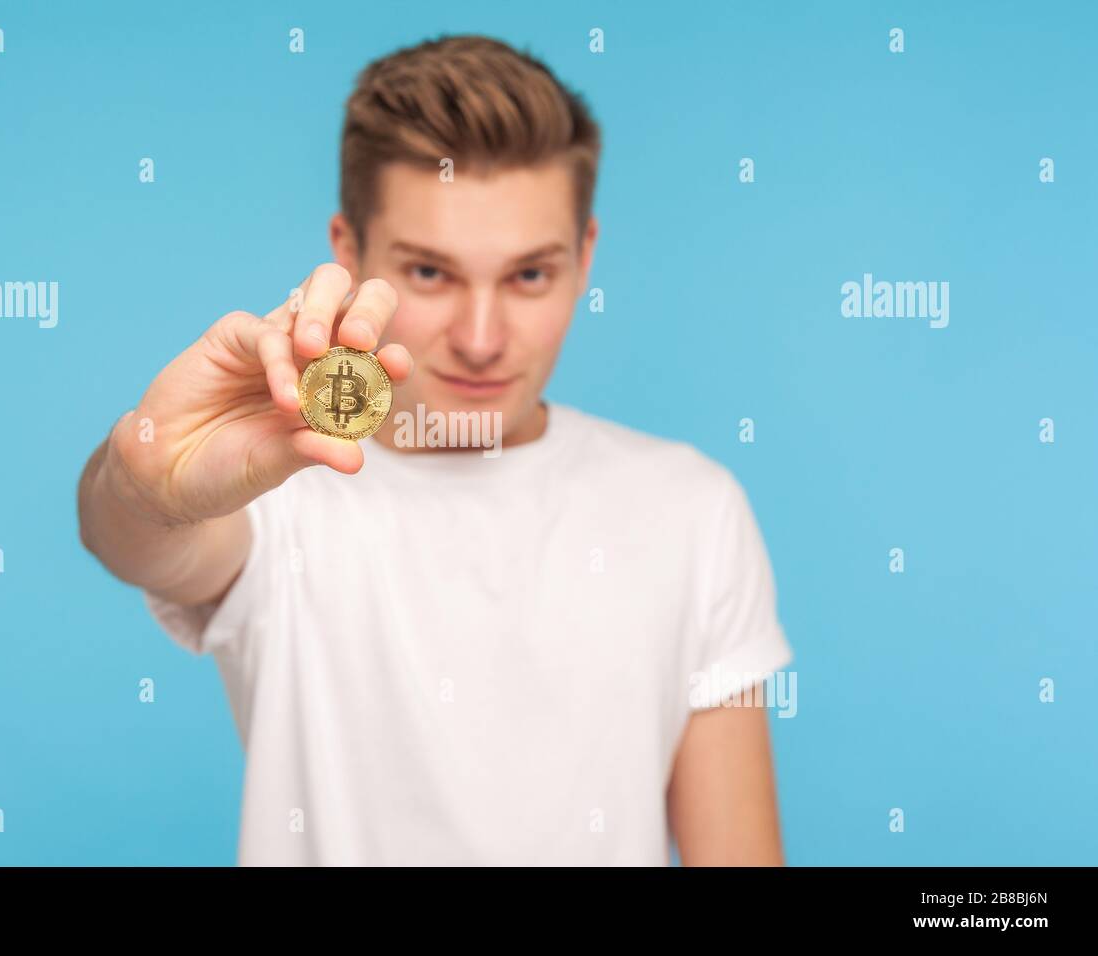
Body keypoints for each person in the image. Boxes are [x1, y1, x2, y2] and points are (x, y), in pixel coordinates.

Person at [77, 34, 792, 866]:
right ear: (349, 253)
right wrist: (146, 480)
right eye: (429, 274)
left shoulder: (690, 509)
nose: (482, 339)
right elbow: (129, 536)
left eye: (529, 276)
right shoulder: (277, 493)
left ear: (585, 256)